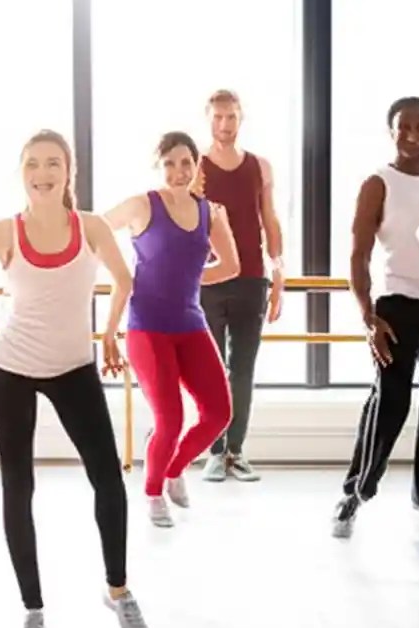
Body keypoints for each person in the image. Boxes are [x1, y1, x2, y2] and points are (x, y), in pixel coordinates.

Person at [0, 129, 153, 628]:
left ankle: (117, 590)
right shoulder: (4, 231)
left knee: (107, 478)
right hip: (11, 369)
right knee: (18, 486)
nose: (43, 173)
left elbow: (125, 279)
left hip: (74, 368)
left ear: (69, 171)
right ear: (21, 172)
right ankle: (33, 609)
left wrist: (112, 333)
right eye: (33, 164)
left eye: (53, 163)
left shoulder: (92, 227)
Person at [332, 97, 419, 539]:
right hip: (397, 306)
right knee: (390, 401)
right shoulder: (378, 182)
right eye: (404, 127)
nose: (413, 134)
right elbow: (358, 254)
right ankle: (355, 494)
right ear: (391, 132)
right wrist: (367, 317)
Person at [104, 131, 239, 528]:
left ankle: (173, 468)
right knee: (171, 419)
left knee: (219, 413)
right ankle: (152, 492)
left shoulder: (209, 212)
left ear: (197, 165)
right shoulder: (141, 205)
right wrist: (119, 281)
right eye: (169, 163)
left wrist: (188, 278)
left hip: (190, 323)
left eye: (186, 163)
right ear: (157, 166)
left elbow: (230, 266)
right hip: (147, 326)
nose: (178, 172)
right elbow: (92, 233)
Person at [193, 88, 285, 482]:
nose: (224, 125)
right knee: (211, 368)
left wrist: (278, 271)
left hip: (252, 278)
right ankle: (214, 450)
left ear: (241, 118)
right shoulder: (194, 167)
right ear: (208, 119)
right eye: (218, 117)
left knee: (243, 368)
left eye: (231, 117)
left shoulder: (260, 166)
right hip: (208, 281)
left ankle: (236, 450)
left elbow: (269, 218)